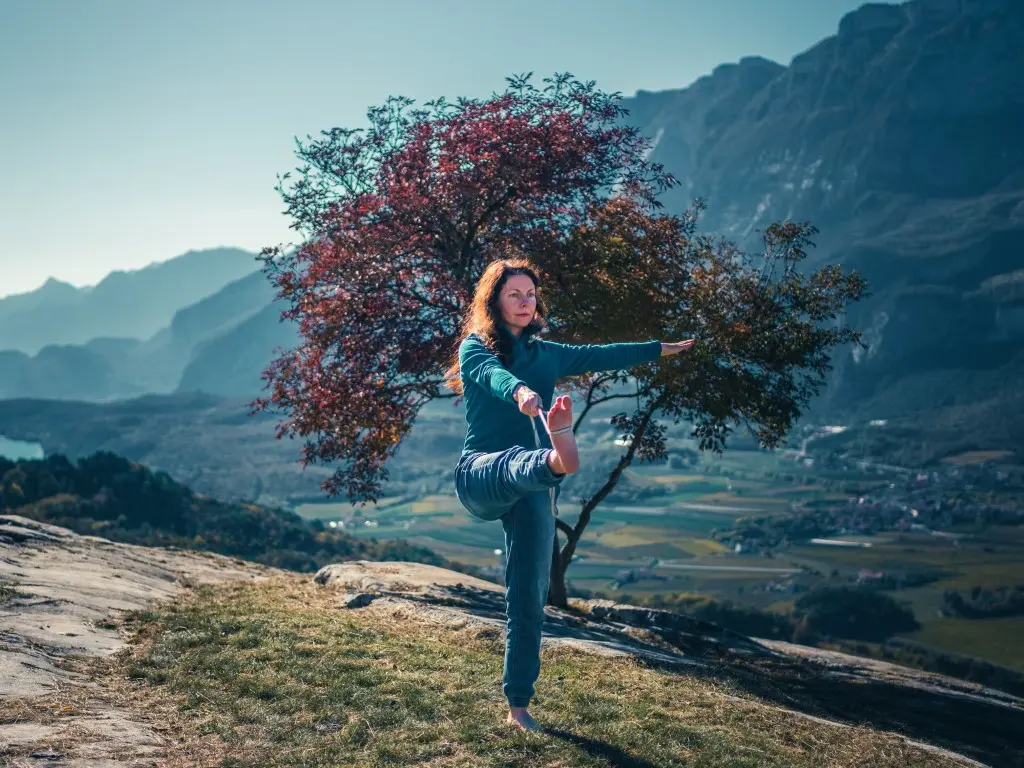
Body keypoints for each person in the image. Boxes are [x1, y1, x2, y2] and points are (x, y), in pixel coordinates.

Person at [445, 257, 694, 732]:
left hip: (536, 487)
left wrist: (658, 348)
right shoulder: (475, 347)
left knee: (529, 591)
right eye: (514, 294)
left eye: (530, 294)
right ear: (494, 300)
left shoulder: (549, 353)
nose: (524, 302)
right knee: (521, 464)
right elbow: (495, 377)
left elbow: (604, 354)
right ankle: (557, 458)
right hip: (481, 474)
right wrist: (519, 393)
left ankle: (519, 705)